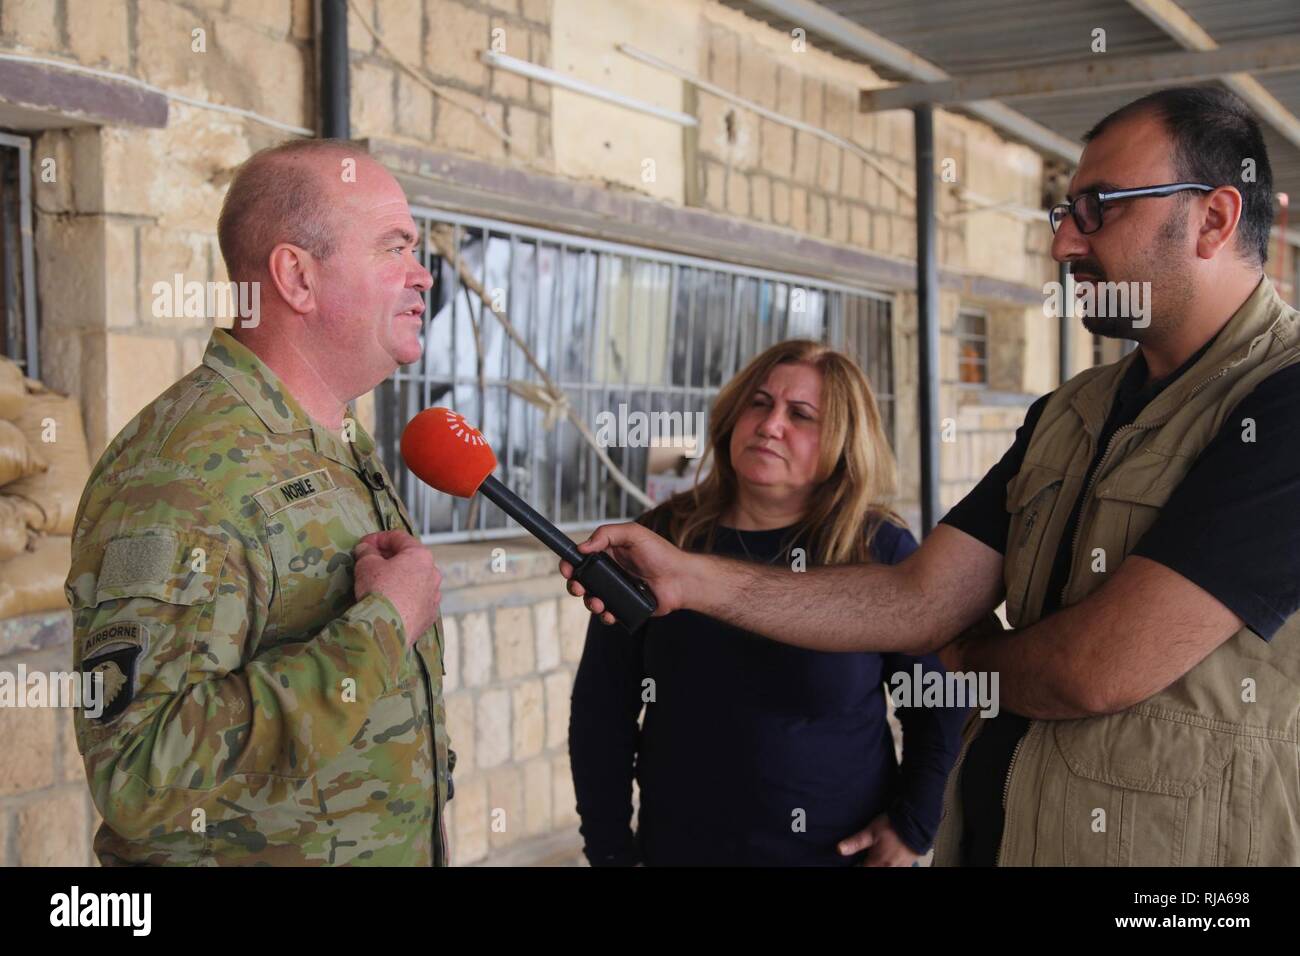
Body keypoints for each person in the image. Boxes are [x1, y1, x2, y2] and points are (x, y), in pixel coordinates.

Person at [561, 87, 1300, 866]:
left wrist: (958, 662)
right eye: (1063, 214)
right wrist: (689, 580)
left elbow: (1096, 668)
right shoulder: (1070, 413)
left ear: (1213, 219)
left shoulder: (1282, 401)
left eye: (1099, 208)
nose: (1064, 247)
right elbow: (920, 598)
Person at [68, 139, 453, 865]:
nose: (422, 274)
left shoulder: (332, 437)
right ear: (297, 278)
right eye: (393, 247)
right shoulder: (182, 471)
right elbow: (139, 777)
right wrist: (383, 624)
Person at [570, 340, 966, 866]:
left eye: (801, 415)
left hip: (835, 855)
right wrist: (611, 854)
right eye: (759, 403)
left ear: (843, 441)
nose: (770, 424)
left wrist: (914, 824)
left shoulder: (876, 549)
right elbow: (602, 712)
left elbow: (938, 701)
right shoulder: (661, 541)